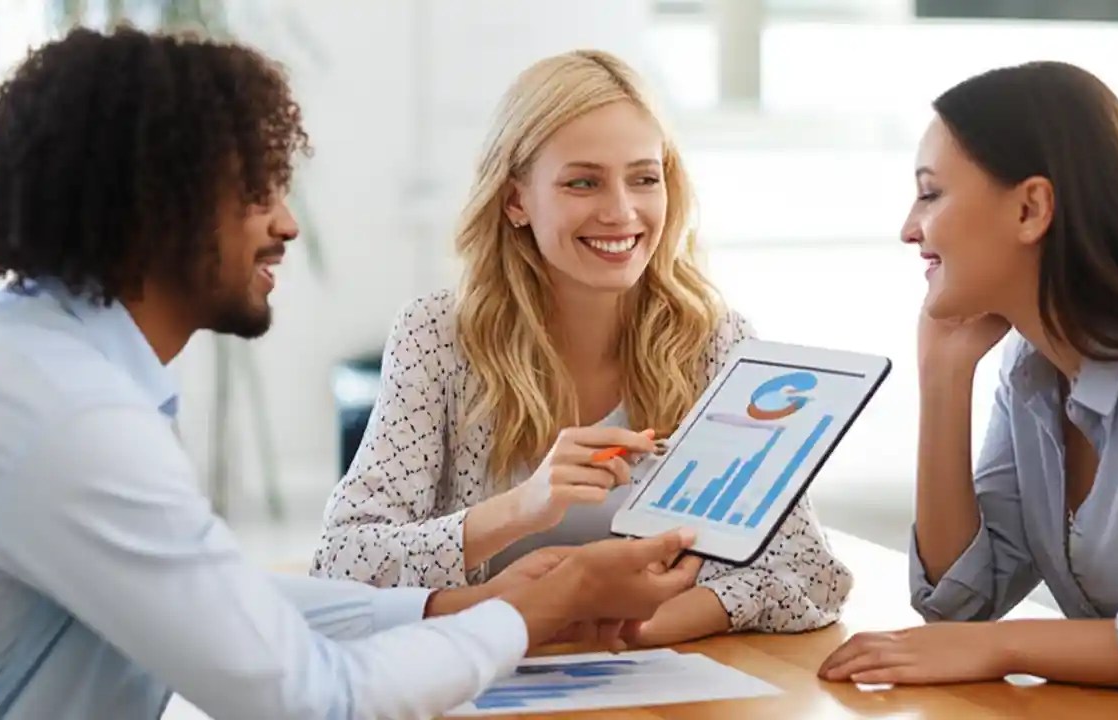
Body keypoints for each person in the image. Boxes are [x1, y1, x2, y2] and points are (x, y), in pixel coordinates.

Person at [0, 27, 704, 720]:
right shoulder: (75, 421)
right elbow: (314, 701)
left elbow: (230, 605)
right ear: (152, 211)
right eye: (255, 194)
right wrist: (533, 611)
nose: (287, 225)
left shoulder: (44, 366)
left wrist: (449, 609)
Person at [311, 49, 852, 647]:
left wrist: (628, 626)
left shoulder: (716, 343)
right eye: (583, 182)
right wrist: (523, 508)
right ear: (516, 200)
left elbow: (808, 573)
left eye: (644, 178)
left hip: (653, 683)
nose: (621, 212)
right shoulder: (438, 336)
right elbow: (343, 561)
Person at [818, 61, 1118, 697]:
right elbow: (959, 605)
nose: (909, 228)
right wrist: (943, 377)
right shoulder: (1034, 372)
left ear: (1031, 208)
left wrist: (1004, 645)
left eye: (931, 193)